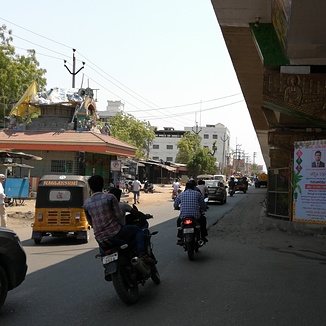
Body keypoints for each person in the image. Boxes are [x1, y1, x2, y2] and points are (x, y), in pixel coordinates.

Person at [83, 175, 148, 261]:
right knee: (136, 230)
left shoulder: (86, 203)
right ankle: (142, 255)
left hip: (100, 238)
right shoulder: (110, 197)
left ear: (90, 187)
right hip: (115, 233)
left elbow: (90, 223)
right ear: (102, 185)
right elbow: (119, 216)